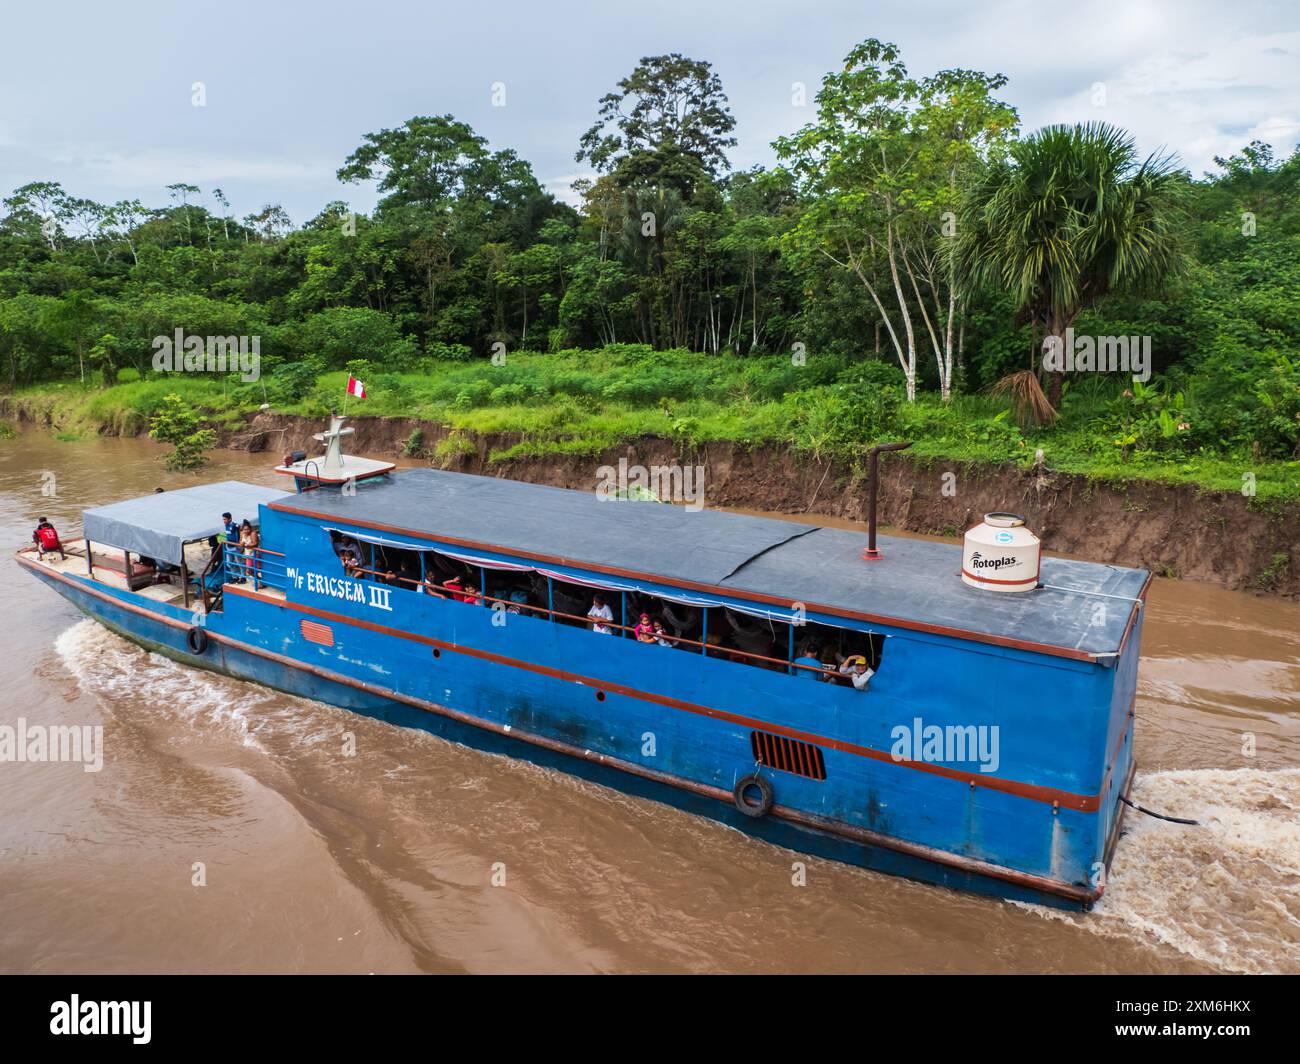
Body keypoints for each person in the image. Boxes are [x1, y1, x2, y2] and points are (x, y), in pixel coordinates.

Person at [238, 519, 260, 588]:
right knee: (249, 570)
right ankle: (260, 580)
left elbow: (255, 543)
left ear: (250, 528)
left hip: (255, 553)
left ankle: (261, 582)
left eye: (247, 529)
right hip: (248, 554)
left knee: (259, 568)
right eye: (245, 529)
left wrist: (246, 545)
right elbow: (240, 542)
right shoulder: (242, 533)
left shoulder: (253, 533)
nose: (246, 531)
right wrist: (242, 543)